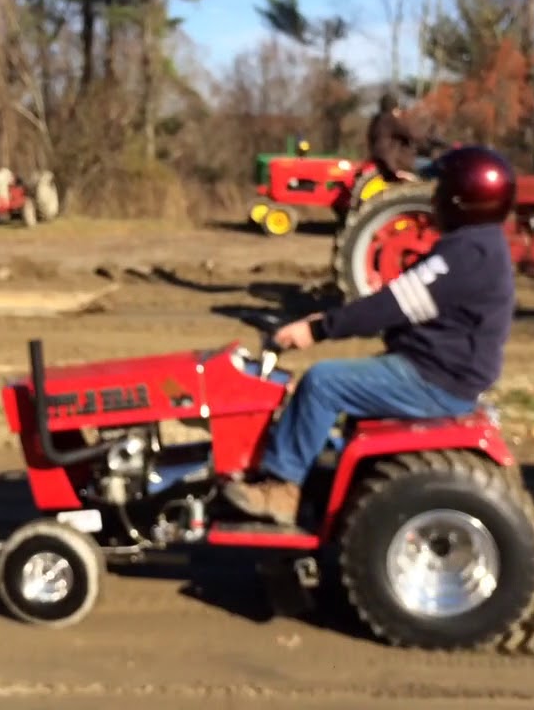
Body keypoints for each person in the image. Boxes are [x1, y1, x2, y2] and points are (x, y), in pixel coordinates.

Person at [222, 145, 519, 527]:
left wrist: (316, 330)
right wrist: (327, 319)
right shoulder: (480, 246)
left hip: (437, 379)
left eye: (441, 188)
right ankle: (308, 475)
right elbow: (403, 304)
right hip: (440, 368)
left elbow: (391, 304)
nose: (434, 197)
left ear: (462, 200)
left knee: (323, 383)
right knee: (336, 386)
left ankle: (282, 490)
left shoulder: (467, 253)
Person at [366, 93, 419, 182]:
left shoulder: (376, 120)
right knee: (425, 166)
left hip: (377, 157)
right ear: (394, 107)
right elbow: (412, 135)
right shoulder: (392, 119)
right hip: (391, 162)